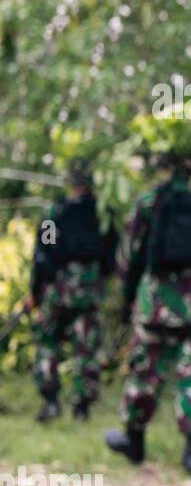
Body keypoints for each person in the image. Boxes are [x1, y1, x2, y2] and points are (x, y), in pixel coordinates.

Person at [104, 150, 191, 473]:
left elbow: (128, 256)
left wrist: (127, 299)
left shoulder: (150, 200)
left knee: (144, 372)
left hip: (156, 305)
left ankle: (134, 441)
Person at [26, 159, 118, 423]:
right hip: (89, 290)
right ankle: (81, 408)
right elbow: (112, 256)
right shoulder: (103, 214)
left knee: (47, 342)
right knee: (86, 348)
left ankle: (51, 401)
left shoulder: (55, 213)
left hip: (58, 289)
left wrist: (35, 291)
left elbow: (42, 255)